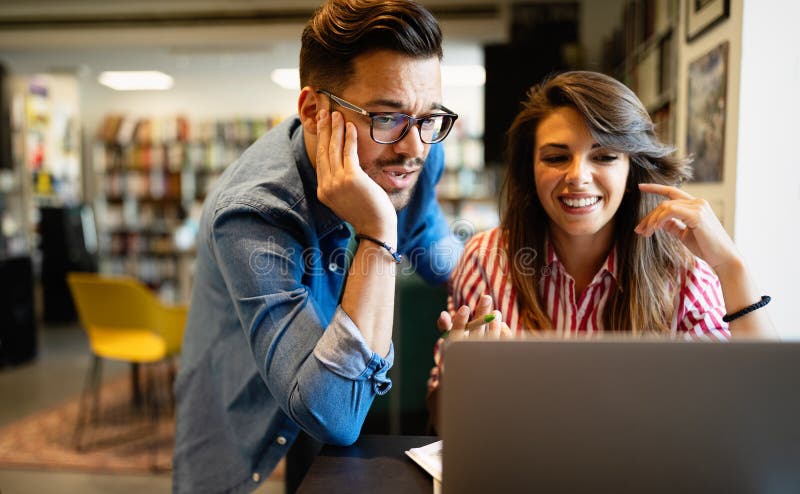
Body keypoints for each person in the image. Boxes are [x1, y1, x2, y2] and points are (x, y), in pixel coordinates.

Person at [173, 1, 464, 492]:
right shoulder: (253, 213)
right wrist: (377, 232)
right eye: (386, 117)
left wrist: (496, 281)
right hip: (243, 446)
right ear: (313, 111)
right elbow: (334, 413)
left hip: (323, 433)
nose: (415, 147)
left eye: (427, 118)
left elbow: (431, 244)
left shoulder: (411, 150)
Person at [427, 70, 776, 424]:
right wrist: (466, 374)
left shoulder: (684, 275)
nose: (578, 176)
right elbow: (442, 420)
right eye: (556, 157)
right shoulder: (485, 260)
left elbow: (763, 413)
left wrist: (732, 267)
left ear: (631, 171)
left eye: (605, 156)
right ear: (529, 170)